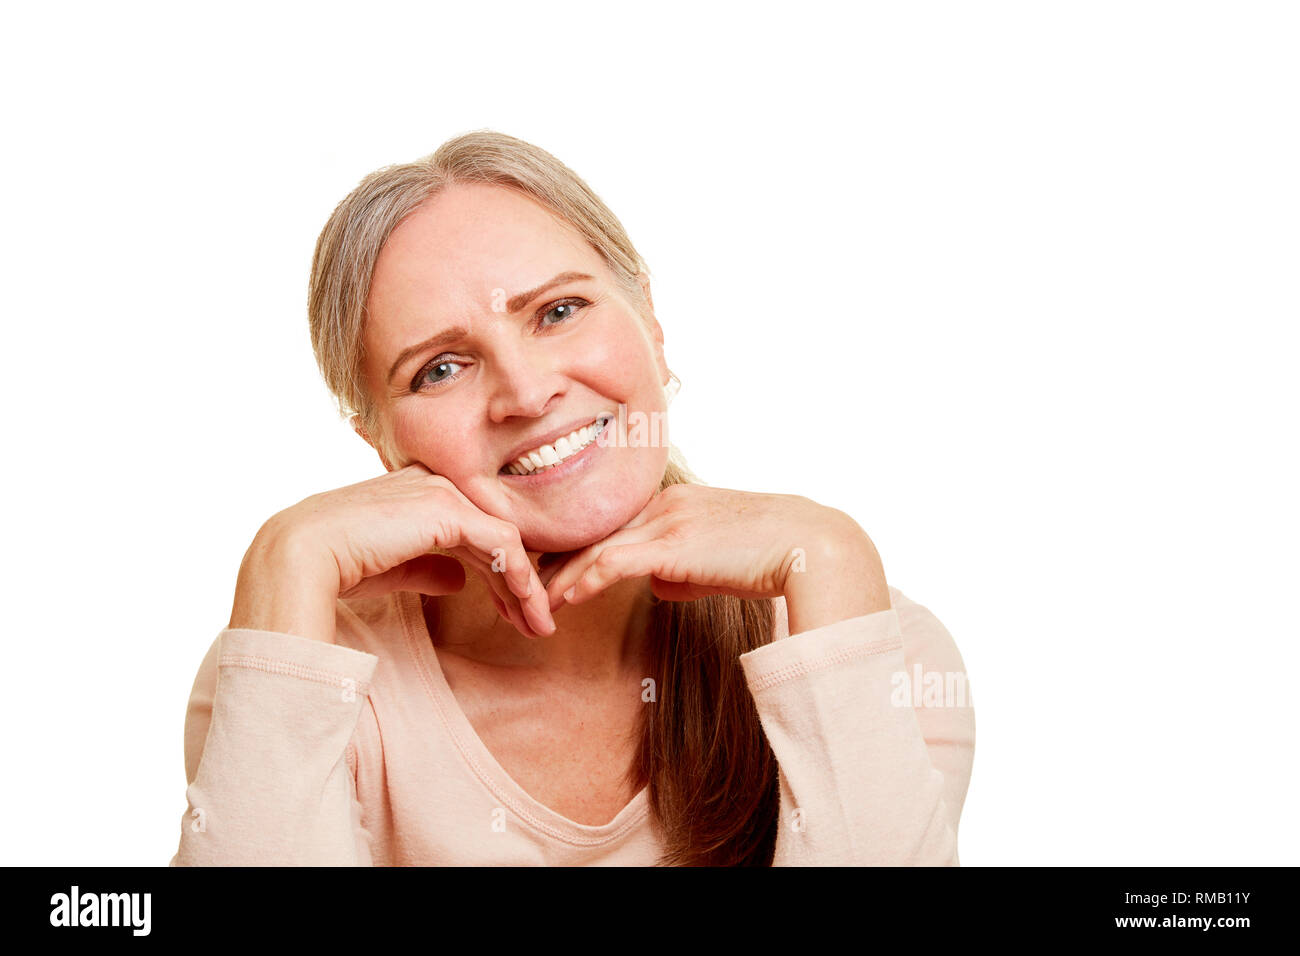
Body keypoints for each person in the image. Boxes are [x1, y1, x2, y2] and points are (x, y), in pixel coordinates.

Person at [170, 129, 976, 866]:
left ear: (652, 326)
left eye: (559, 311)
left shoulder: (873, 643)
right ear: (379, 443)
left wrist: (832, 561)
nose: (525, 393)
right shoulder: (299, 664)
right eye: (440, 369)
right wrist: (286, 558)